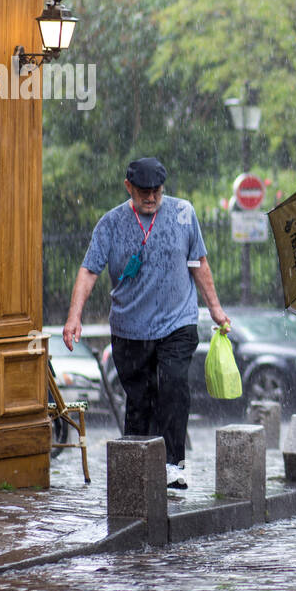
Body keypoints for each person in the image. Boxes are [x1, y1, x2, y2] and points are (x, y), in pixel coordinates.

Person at [62, 157, 230, 489]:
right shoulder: (111, 223)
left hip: (177, 323)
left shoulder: (184, 213)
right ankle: (136, 465)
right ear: (129, 188)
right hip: (130, 328)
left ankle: (174, 465)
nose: (151, 198)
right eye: (143, 192)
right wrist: (73, 317)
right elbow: (89, 270)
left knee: (174, 386)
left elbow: (199, 263)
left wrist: (216, 309)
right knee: (139, 400)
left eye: (156, 191)